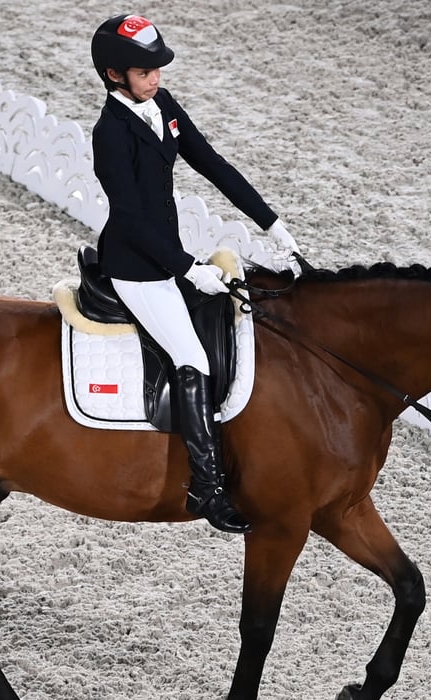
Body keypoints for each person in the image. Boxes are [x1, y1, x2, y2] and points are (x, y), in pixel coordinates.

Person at [89, 13, 302, 535]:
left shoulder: (161, 106)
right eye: (144, 72)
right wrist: (189, 269)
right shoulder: (109, 134)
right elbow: (132, 221)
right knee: (192, 356)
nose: (155, 79)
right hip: (137, 268)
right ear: (116, 75)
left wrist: (273, 224)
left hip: (168, 256)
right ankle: (206, 489)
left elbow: (212, 163)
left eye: (158, 69)